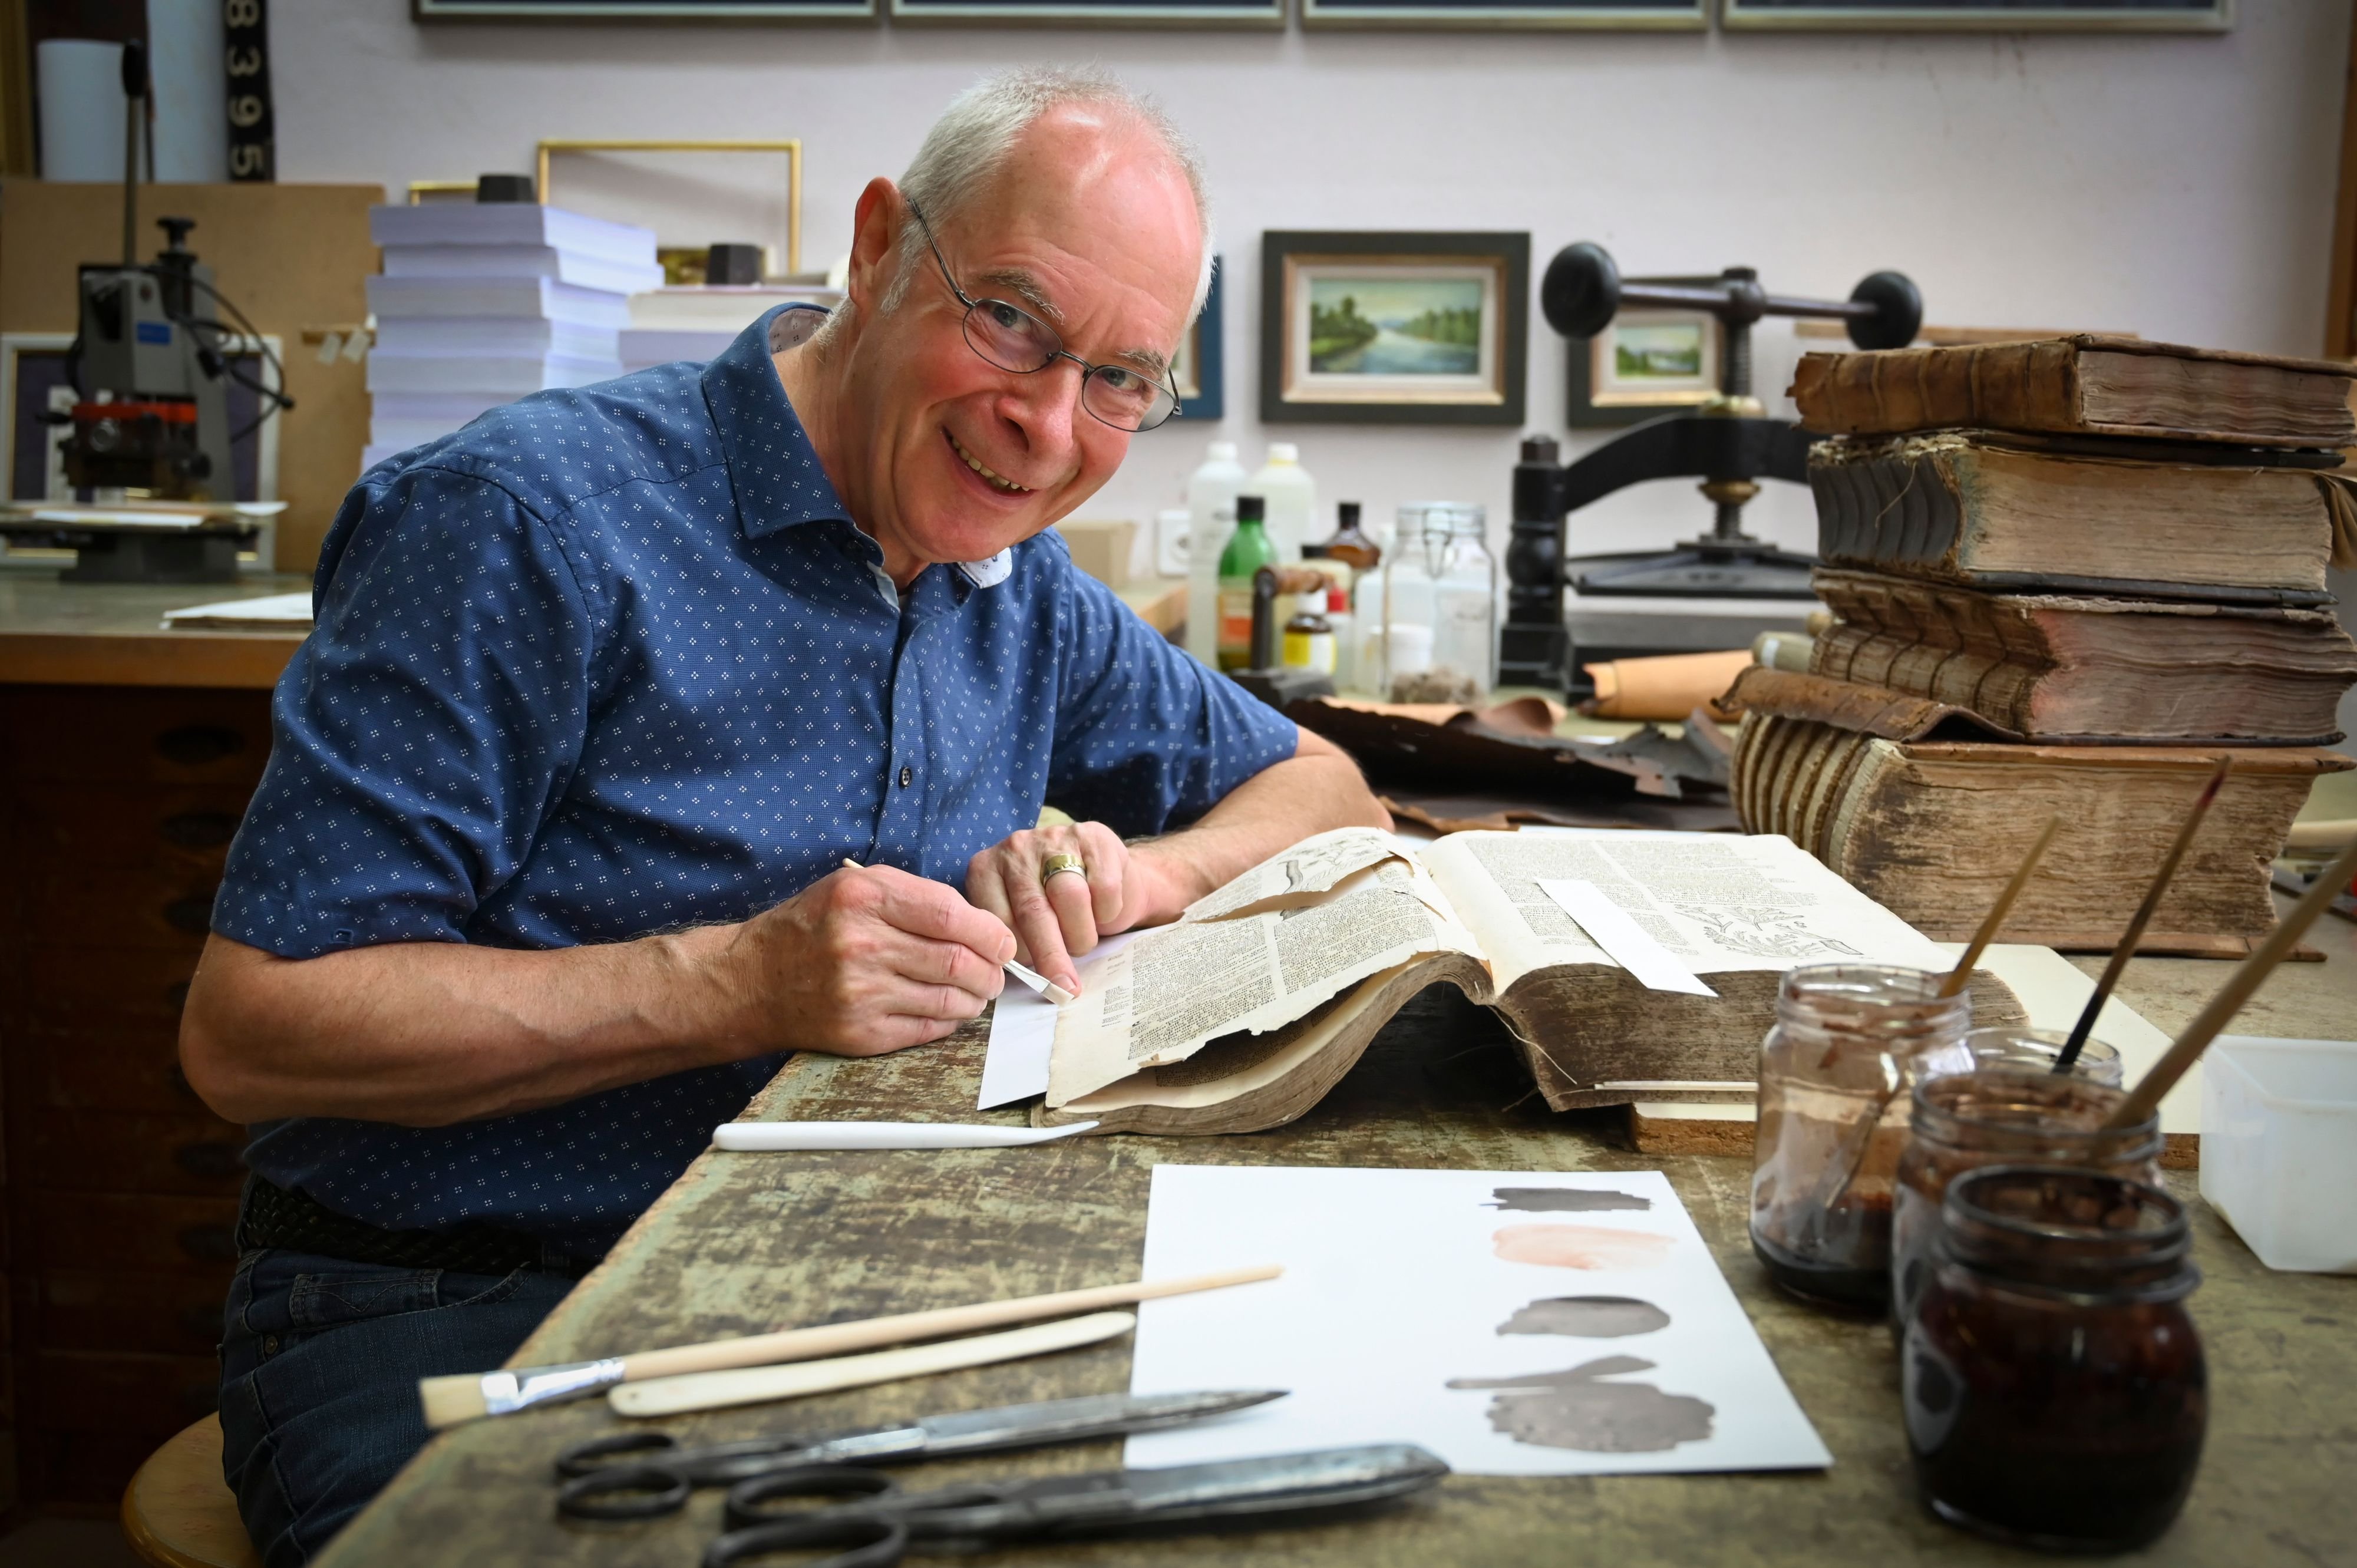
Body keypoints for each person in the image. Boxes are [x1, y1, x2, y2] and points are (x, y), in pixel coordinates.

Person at [179, 67, 1388, 1564]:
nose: (1046, 423)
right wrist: (731, 981)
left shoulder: (1020, 594)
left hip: (839, 1276)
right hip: (455, 1294)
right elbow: (250, 1029)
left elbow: (1326, 787)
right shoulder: (524, 523)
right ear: (880, 248)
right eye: (1010, 318)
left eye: (1121, 378)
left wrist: (1142, 874)